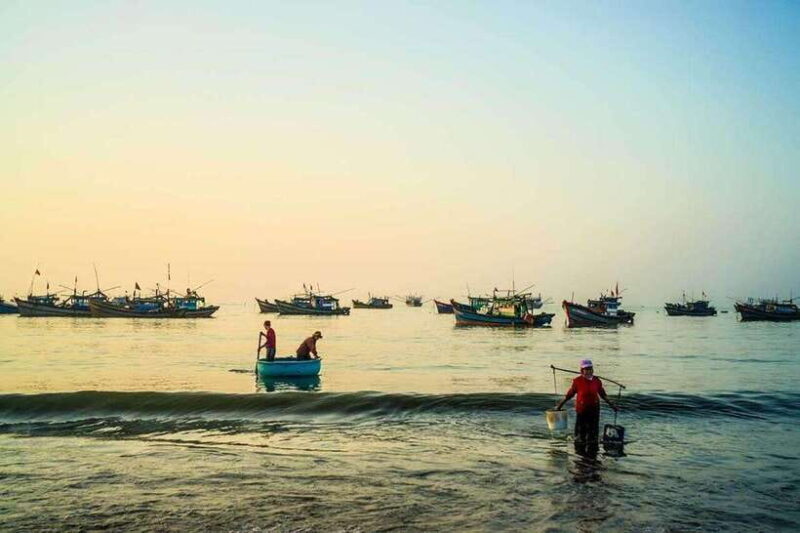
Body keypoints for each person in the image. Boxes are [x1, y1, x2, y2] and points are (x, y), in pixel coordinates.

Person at [555, 359, 618, 450]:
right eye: (586, 369)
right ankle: (580, 453)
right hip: (581, 410)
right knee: (580, 434)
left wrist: (612, 405)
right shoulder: (577, 381)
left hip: (594, 409)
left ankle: (592, 451)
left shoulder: (597, 381)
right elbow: (569, 395)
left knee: (593, 434)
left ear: (593, 370)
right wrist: (560, 405)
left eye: (590, 369)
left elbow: (603, 395)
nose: (588, 371)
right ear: (582, 370)